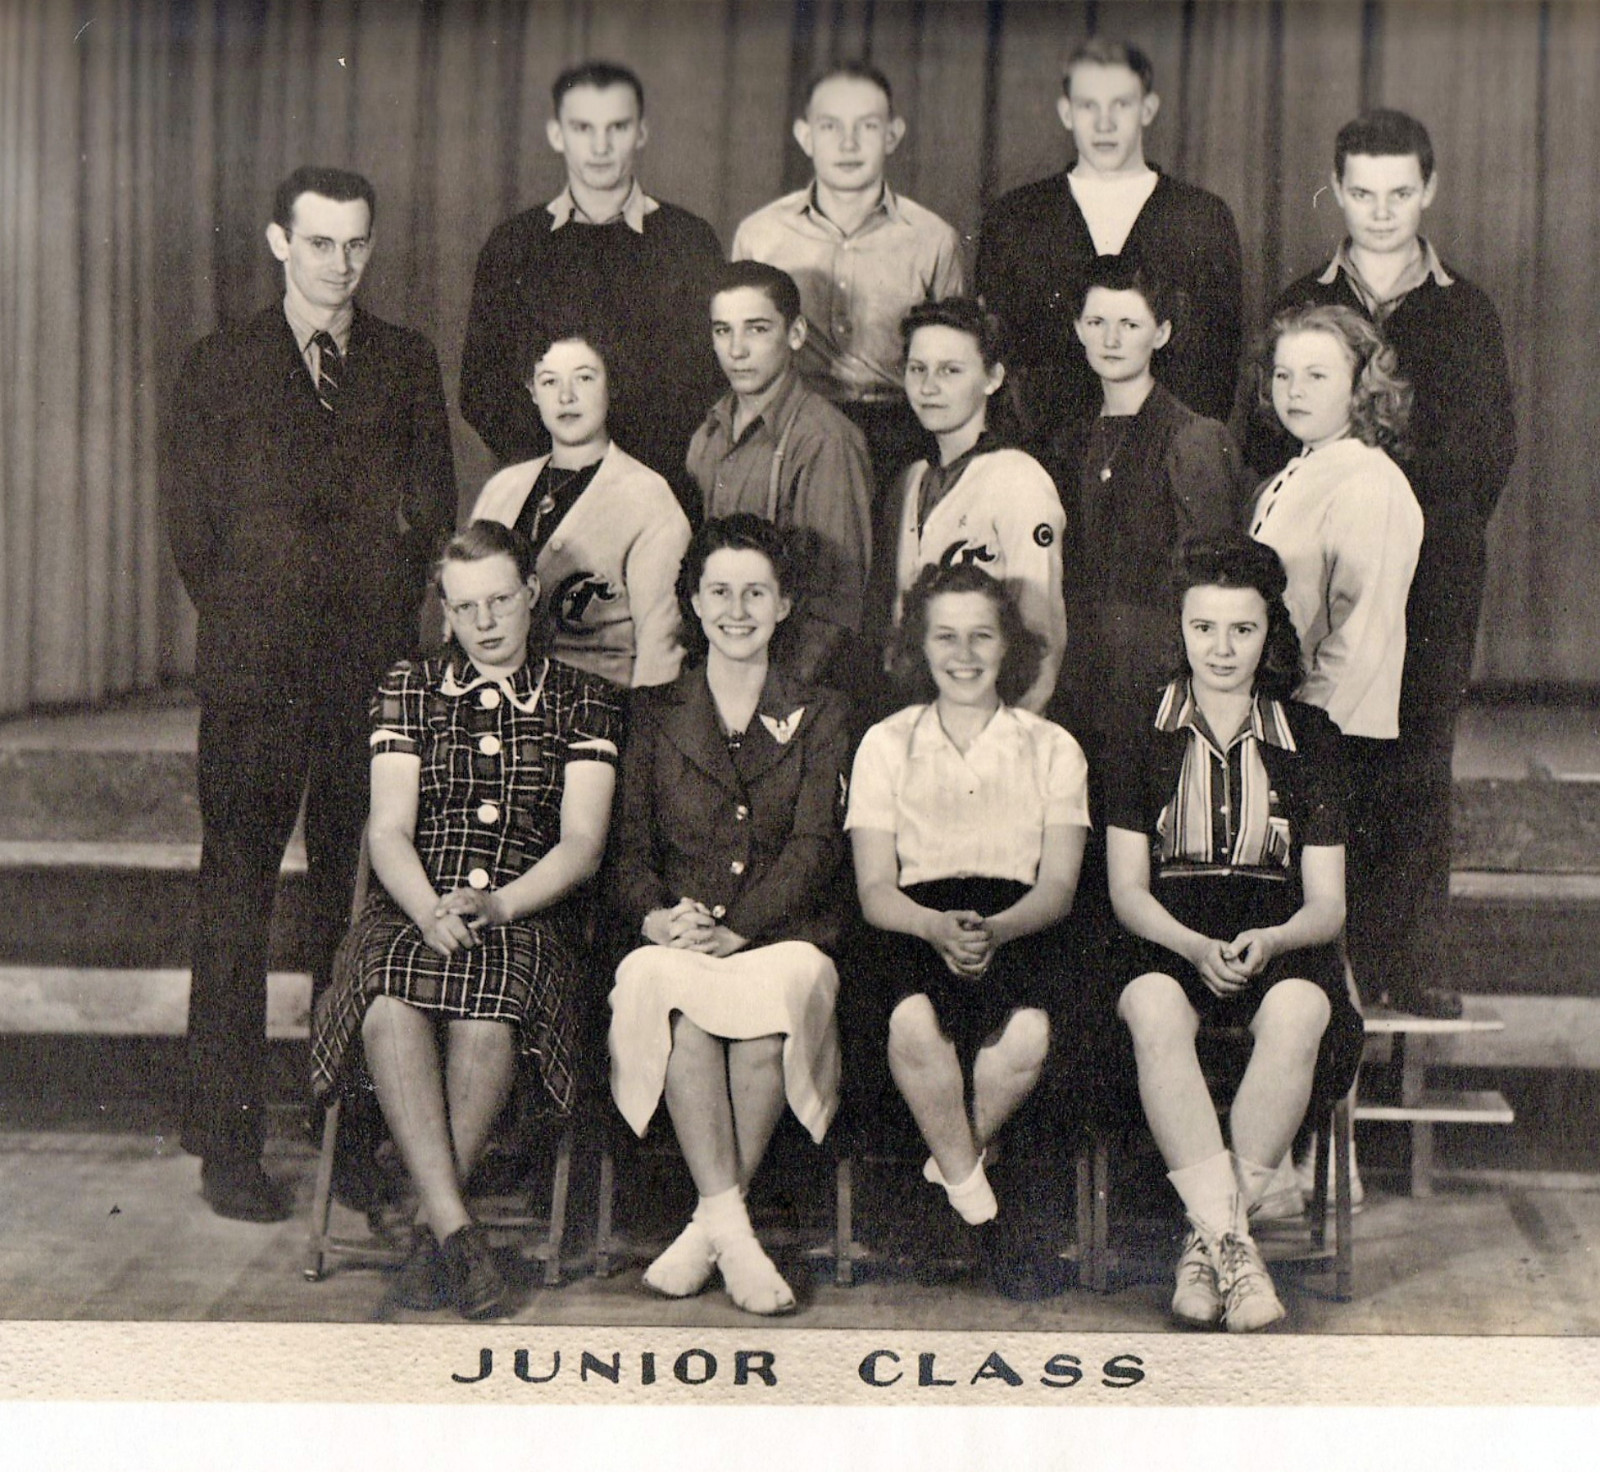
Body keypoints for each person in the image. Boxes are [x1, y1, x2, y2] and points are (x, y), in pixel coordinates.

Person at [161, 165, 456, 1222]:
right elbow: (193, 530)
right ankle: (227, 1141)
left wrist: (373, 638)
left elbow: (432, 514)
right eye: (321, 243)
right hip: (253, 683)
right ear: (279, 241)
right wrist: (262, 626)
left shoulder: (406, 362)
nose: (341, 265)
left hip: (367, 686)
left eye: (357, 245)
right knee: (235, 903)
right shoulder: (220, 365)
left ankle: (353, 1137)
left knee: (355, 908)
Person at [310, 521, 622, 1320]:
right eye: (465, 606)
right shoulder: (407, 689)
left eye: (499, 602)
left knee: (489, 1019)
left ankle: (428, 1229)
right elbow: (386, 831)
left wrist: (498, 904)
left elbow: (583, 845)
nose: (484, 622)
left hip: (524, 910)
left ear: (529, 597)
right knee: (387, 1001)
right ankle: (453, 1230)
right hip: (415, 899)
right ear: (444, 612)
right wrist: (428, 909)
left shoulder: (583, 700)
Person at [1247, 109, 1516, 1019]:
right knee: (1325, 758)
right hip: (1321, 568)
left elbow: (1487, 454)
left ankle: (1409, 962)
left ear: (1429, 191)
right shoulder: (1299, 300)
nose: (1381, 211)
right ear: (1337, 189)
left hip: (1434, 571)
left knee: (1416, 761)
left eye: (1400, 192)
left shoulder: (1464, 309)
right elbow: (1265, 431)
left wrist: (1391, 514)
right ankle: (1327, 955)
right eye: (1362, 192)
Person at [1105, 534, 1363, 1332]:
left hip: (1279, 937)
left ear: (1269, 634)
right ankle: (1236, 1250)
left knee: (1302, 1013)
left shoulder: (1312, 737)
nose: (1221, 648)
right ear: (1179, 629)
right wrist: (1189, 947)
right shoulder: (1137, 732)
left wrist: (1273, 941)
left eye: (1242, 630)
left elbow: (1327, 905)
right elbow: (1126, 891)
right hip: (1165, 936)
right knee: (1150, 1008)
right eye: (1204, 627)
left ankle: (1210, 1244)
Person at [608, 515, 850, 1316]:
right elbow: (629, 854)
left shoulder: (820, 712)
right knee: (674, 1010)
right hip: (676, 935)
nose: (736, 609)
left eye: (756, 592)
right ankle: (734, 1235)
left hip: (778, 935)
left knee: (769, 1026)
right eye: (719, 591)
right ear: (694, 601)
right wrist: (657, 921)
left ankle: (710, 1229)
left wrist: (739, 928)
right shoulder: (652, 709)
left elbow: (815, 845)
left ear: (785, 605)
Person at [848, 562, 1090, 1298]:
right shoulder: (886, 743)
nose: (964, 654)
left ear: (1007, 645)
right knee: (915, 1025)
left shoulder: (1051, 747)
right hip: (911, 928)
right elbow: (873, 889)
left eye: (981, 636)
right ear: (918, 647)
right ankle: (981, 1211)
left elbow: (1057, 886)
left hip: (1021, 926)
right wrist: (934, 927)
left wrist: (996, 929)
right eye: (945, 636)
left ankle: (942, 1178)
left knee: (1025, 1039)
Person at [731, 60, 964, 579]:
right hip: (793, 427)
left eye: (868, 126)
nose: (849, 142)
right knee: (790, 584)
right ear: (805, 135)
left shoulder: (932, 238)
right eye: (831, 127)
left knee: (884, 593)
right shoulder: (761, 235)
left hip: (896, 433)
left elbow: (950, 360)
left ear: (894, 134)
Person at [459, 61, 723, 516]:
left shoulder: (689, 241)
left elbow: (708, 380)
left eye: (617, 127)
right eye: (583, 128)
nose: (600, 147)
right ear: (556, 134)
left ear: (641, 132)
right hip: (544, 493)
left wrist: (634, 474)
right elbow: (482, 387)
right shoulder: (514, 244)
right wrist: (559, 466)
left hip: (661, 492)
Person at [975, 36, 1242, 446]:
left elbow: (1216, 365)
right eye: (1088, 106)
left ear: (1148, 109)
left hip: (1162, 464)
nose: (1104, 123)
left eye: (1121, 104)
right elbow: (995, 354)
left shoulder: (1201, 218)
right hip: (1040, 459)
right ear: (1066, 112)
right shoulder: (1015, 217)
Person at [1050, 253, 1251, 761]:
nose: (1111, 339)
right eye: (1096, 322)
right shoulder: (1069, 440)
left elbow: (1211, 585)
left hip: (1153, 677)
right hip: (1079, 669)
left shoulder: (1192, 438)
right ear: (1077, 329)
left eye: (1130, 324)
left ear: (1160, 333)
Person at [686, 260, 873, 686]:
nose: (736, 350)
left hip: (788, 688)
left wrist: (778, 703)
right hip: (723, 673)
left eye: (756, 329)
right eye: (722, 330)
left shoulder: (825, 439)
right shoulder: (708, 433)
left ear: (796, 334)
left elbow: (834, 608)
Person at [470, 326, 690, 689]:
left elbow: (661, 651)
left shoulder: (649, 497)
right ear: (532, 391)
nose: (566, 397)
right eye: (550, 381)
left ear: (610, 384)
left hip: (600, 718)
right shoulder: (503, 488)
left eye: (584, 378)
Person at [889, 298, 1065, 715]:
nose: (929, 387)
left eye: (951, 370)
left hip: (996, 728)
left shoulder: (1019, 479)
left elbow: (1044, 640)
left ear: (992, 378)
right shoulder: (911, 481)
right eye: (918, 369)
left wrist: (1012, 744)